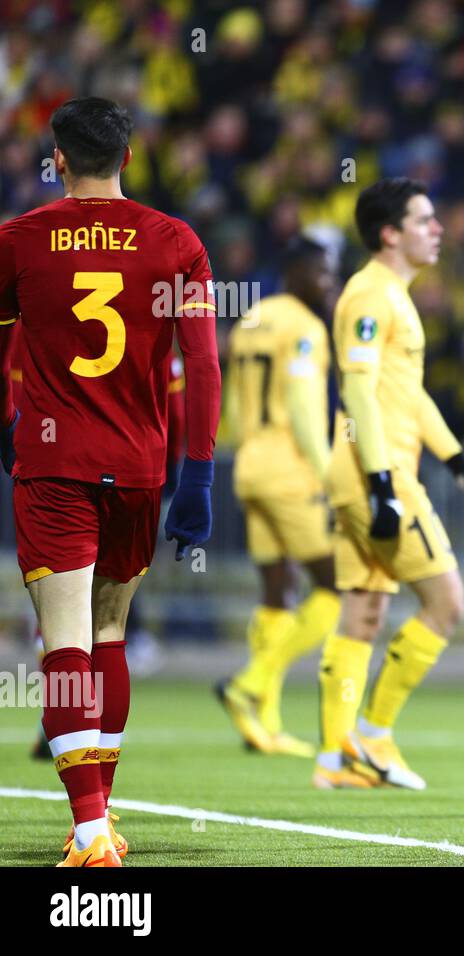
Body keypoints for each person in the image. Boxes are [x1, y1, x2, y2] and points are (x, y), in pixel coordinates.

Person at [0, 96, 221, 866]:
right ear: (128, 157)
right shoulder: (176, 241)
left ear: (56, 159)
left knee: (61, 641)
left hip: (54, 464)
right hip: (138, 466)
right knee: (108, 633)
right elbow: (204, 365)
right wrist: (198, 472)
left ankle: (91, 831)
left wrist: (8, 421)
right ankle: (97, 820)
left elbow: (1, 352)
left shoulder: (19, 239)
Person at [314, 178, 464, 791]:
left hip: (366, 469)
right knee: (447, 602)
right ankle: (375, 733)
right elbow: (356, 389)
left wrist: (457, 459)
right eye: (423, 220)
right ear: (390, 233)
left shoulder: (392, 294)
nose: (437, 229)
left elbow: (405, 395)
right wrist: (384, 483)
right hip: (372, 471)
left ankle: (337, 758)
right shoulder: (370, 293)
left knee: (362, 614)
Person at [218, 237, 340, 757]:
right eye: (322, 274)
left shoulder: (251, 319)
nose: (328, 285)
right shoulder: (306, 328)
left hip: (249, 464)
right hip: (291, 471)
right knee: (337, 588)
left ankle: (262, 721)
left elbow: (234, 401)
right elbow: (304, 408)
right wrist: (330, 475)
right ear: (297, 272)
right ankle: (250, 681)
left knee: (275, 590)